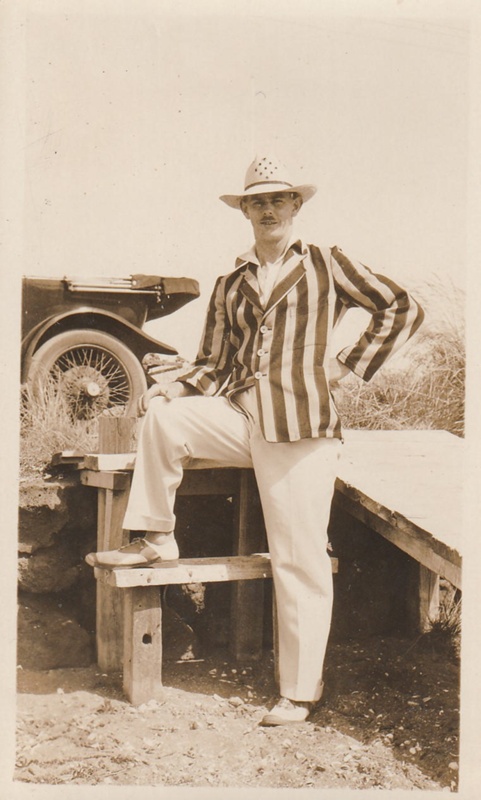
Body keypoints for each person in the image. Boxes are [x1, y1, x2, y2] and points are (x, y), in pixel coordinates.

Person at [86, 155, 424, 726]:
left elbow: (401, 307)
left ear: (297, 206)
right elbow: (216, 362)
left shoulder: (326, 263)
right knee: (164, 420)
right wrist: (174, 391)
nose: (268, 209)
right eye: (257, 201)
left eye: (279, 199)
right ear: (244, 210)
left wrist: (346, 364)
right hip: (243, 418)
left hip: (302, 428)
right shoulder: (231, 281)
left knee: (300, 561)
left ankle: (298, 691)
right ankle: (155, 538)